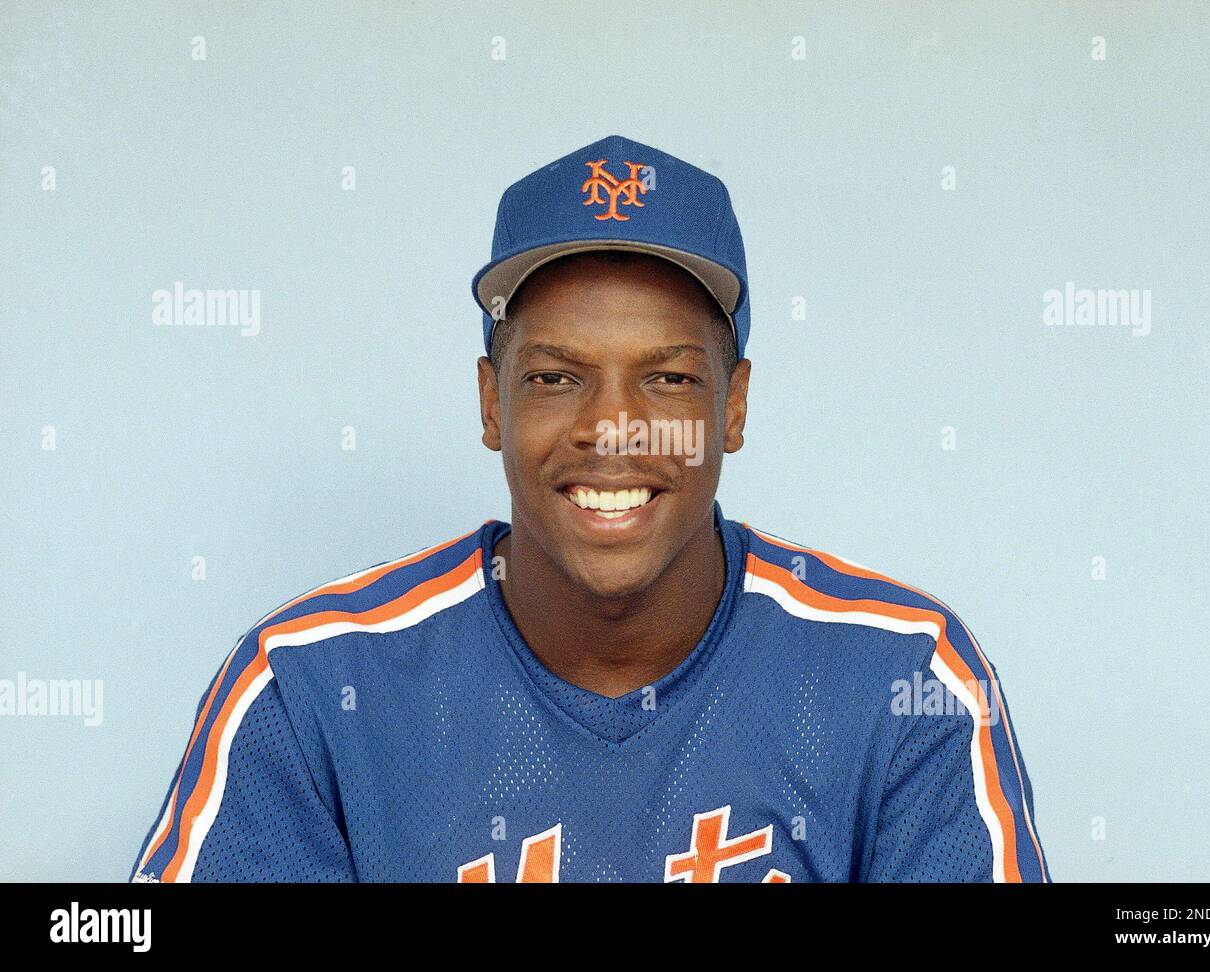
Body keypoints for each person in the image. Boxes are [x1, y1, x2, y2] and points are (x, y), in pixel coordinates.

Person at [130, 134, 1048, 883]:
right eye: (556, 377)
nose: (613, 429)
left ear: (732, 409)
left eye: (671, 379)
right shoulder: (309, 687)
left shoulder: (907, 680)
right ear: (493, 404)